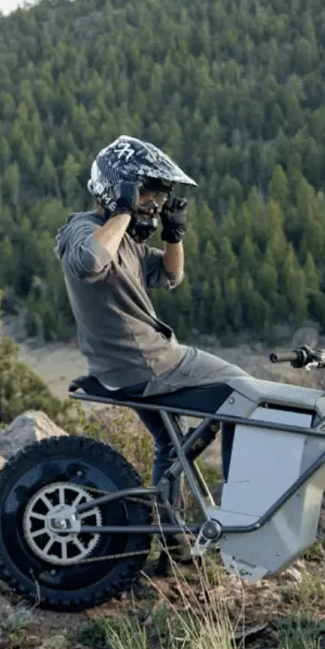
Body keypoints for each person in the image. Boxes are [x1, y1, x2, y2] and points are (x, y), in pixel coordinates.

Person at [53, 134, 250, 503]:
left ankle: (171, 545)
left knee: (169, 443)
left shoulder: (124, 240)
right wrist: (125, 212)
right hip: (149, 362)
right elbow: (89, 262)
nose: (154, 207)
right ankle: (240, 509)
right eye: (148, 195)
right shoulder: (81, 231)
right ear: (116, 190)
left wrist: (174, 235)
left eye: (160, 198)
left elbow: (171, 276)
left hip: (131, 364)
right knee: (247, 395)